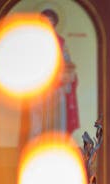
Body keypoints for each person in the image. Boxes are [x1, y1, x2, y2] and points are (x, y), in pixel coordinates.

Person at [18, 8, 80, 147]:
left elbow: (67, 65)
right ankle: (35, 152)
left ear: (55, 24)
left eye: (50, 22)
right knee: (36, 125)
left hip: (55, 89)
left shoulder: (61, 43)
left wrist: (63, 76)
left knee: (56, 124)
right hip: (38, 89)